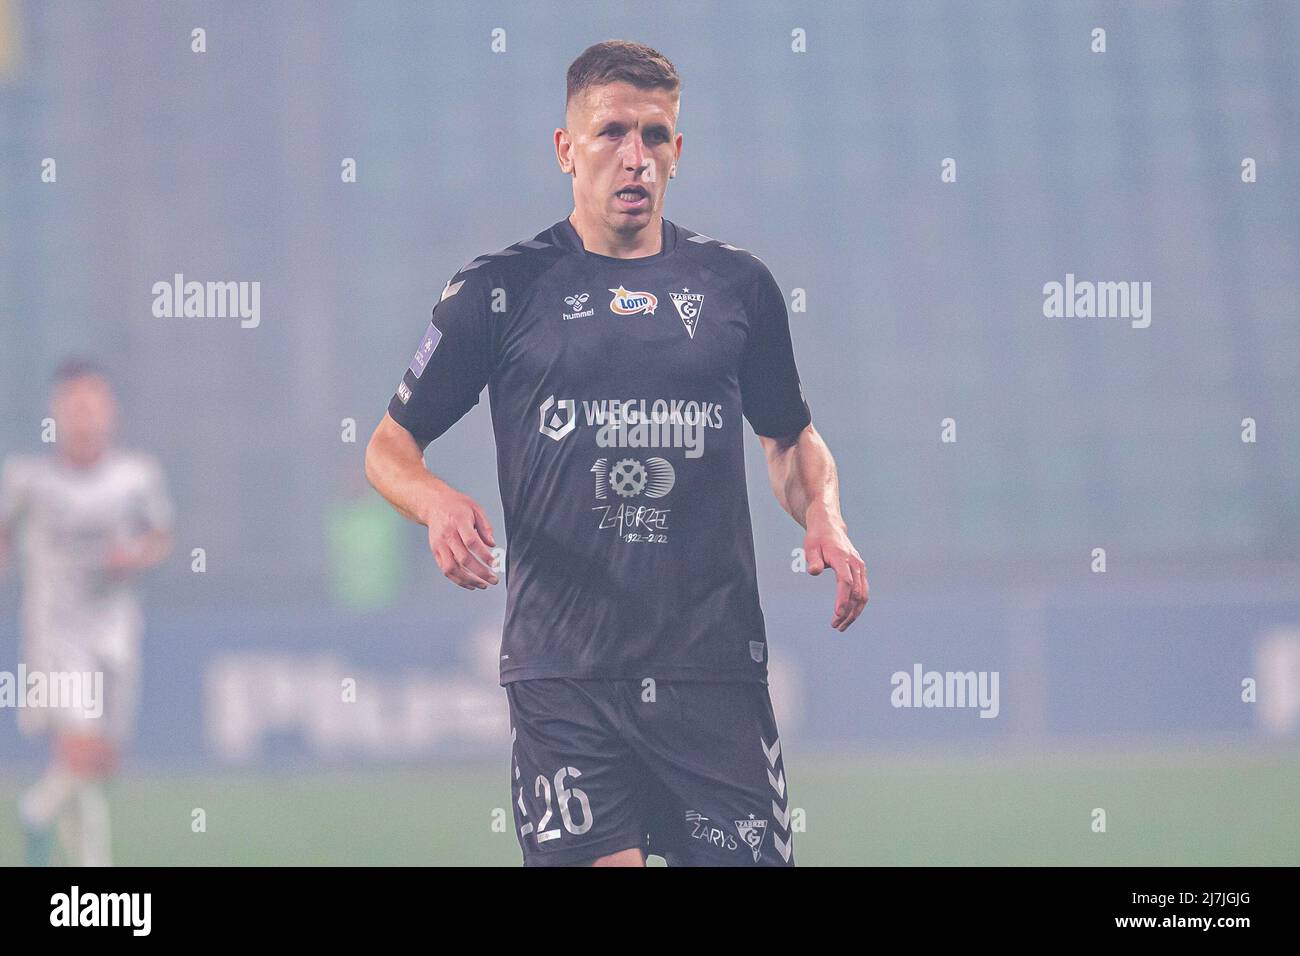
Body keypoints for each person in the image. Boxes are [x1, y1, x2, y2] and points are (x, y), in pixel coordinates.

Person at [365, 40, 867, 866]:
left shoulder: (737, 288)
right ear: (566, 149)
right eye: (611, 133)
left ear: (679, 151)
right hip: (567, 679)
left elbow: (789, 437)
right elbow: (389, 448)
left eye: (656, 135)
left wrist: (825, 514)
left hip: (712, 676)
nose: (635, 157)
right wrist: (438, 502)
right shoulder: (499, 291)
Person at [0, 359, 173, 866]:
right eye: (74, 406)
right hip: (56, 634)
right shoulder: (27, 480)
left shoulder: (137, 477)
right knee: (80, 746)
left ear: (110, 412)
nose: (84, 417)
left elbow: (161, 536)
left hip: (116, 631)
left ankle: (36, 809)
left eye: (93, 405)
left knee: (102, 761)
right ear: (56, 414)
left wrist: (135, 556)